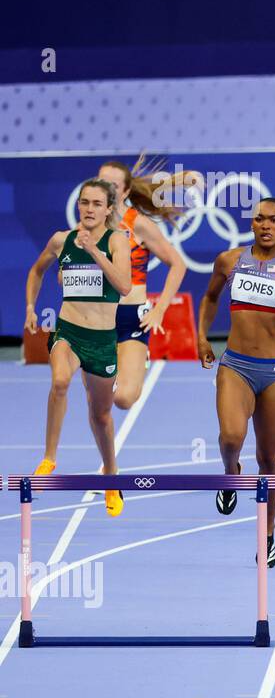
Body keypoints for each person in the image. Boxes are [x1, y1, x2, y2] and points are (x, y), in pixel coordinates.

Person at [197, 198, 275, 567]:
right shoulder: (229, 260)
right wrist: (202, 336)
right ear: (252, 225)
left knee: (269, 459)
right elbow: (210, 297)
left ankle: (267, 535)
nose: (265, 225)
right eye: (259, 219)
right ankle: (231, 471)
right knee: (232, 437)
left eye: (273, 220)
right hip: (235, 366)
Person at [23, 179, 132, 516]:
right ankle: (49, 458)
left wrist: (95, 251)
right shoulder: (61, 240)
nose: (88, 208)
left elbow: (125, 286)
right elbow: (36, 271)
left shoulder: (117, 240)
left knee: (101, 416)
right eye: (85, 202)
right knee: (59, 382)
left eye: (97, 204)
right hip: (68, 330)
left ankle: (110, 477)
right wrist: (30, 307)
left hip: (101, 341)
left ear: (109, 209)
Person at [96, 156, 193, 410]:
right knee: (98, 403)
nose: (105, 188)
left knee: (124, 398)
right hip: (96, 320)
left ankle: (138, 361)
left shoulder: (137, 224)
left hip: (130, 319)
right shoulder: (86, 226)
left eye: (113, 185)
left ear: (126, 191)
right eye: (101, 182)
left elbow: (178, 264)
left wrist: (159, 309)